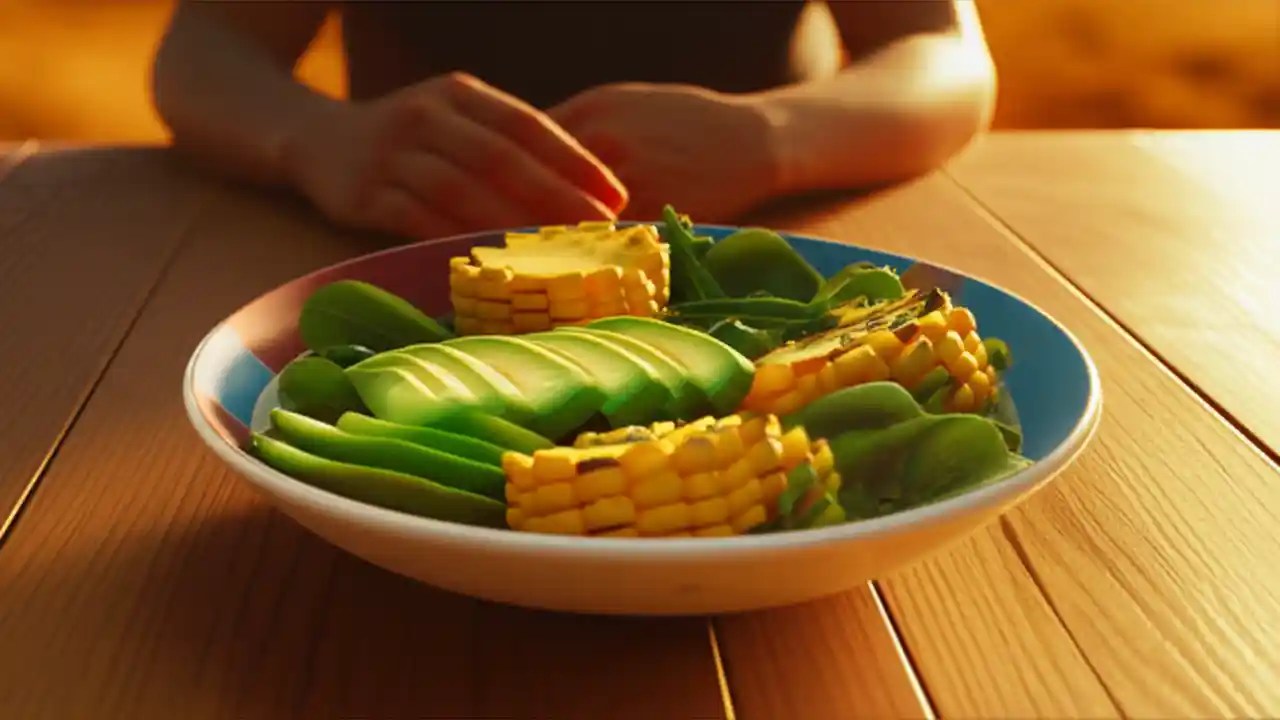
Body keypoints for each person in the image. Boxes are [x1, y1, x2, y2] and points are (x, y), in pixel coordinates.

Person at [152, 1, 996, 240]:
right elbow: (205, 48)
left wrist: (774, 139)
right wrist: (315, 137)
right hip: (407, 261)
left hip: (760, 257)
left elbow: (943, 55)